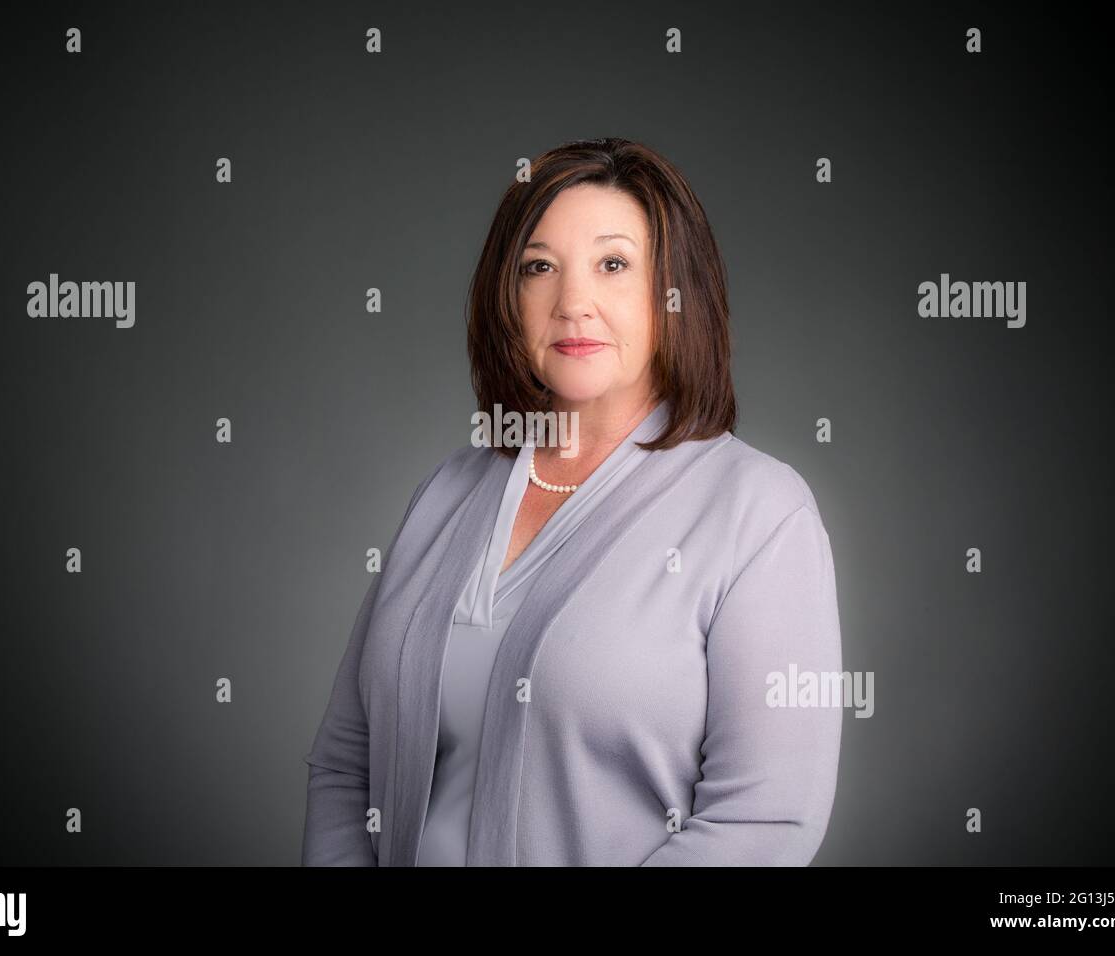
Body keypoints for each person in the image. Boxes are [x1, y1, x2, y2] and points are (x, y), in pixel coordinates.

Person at [302, 137, 843, 866]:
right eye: (539, 267)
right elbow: (345, 764)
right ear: (509, 297)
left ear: (674, 293)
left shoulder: (759, 512)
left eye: (613, 265)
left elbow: (765, 819)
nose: (572, 303)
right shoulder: (446, 493)